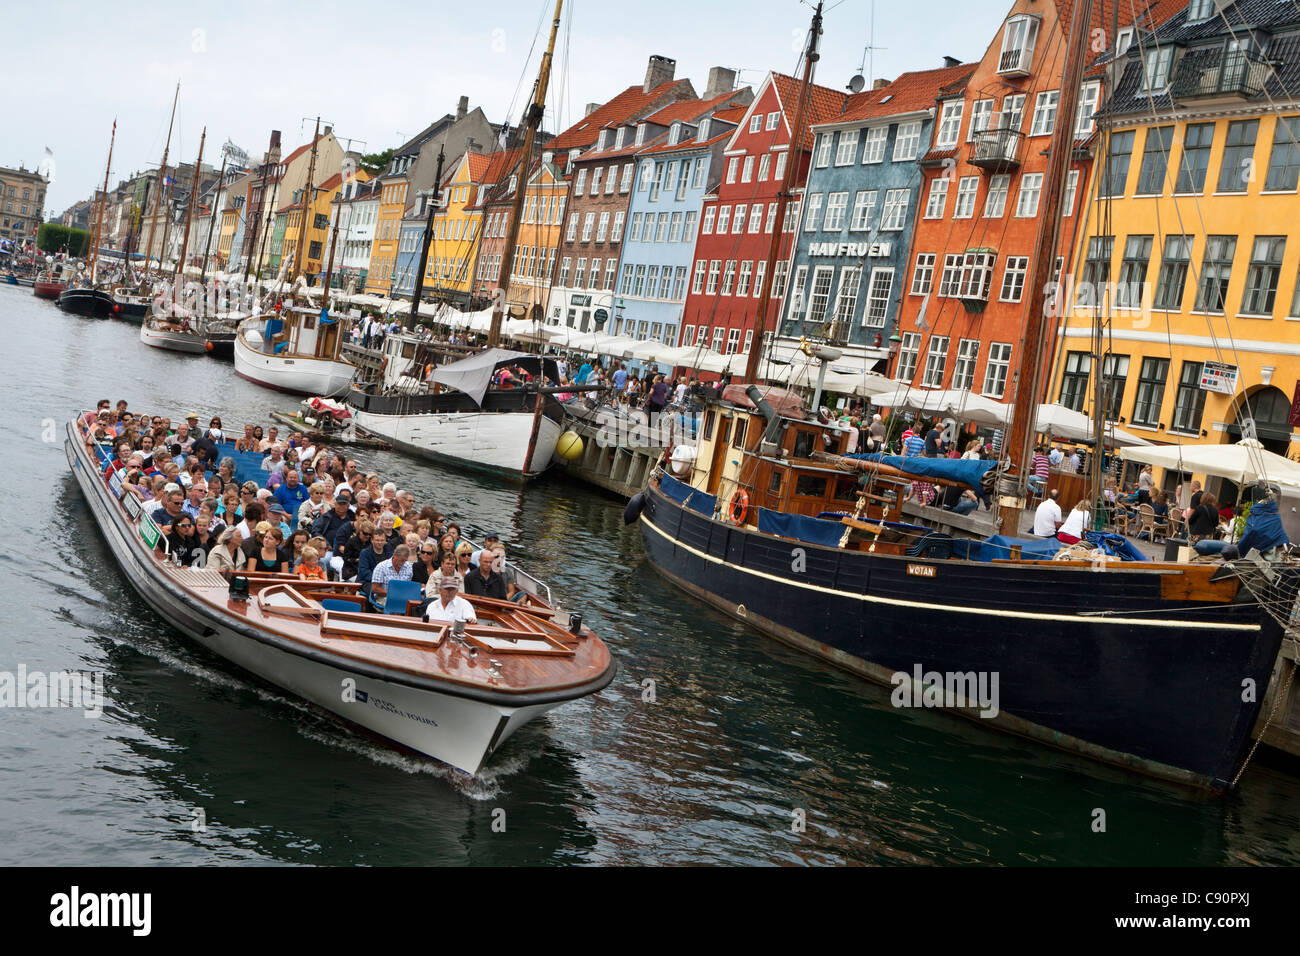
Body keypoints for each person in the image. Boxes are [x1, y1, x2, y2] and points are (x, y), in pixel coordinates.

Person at [370, 544, 413, 608]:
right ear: (395, 555)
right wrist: (393, 594)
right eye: (401, 560)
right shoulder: (381, 566)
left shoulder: (408, 566)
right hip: (384, 597)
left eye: (405, 560)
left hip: (403, 598)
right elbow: (375, 589)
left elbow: (408, 586)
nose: (403, 563)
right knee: (397, 605)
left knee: (415, 606)